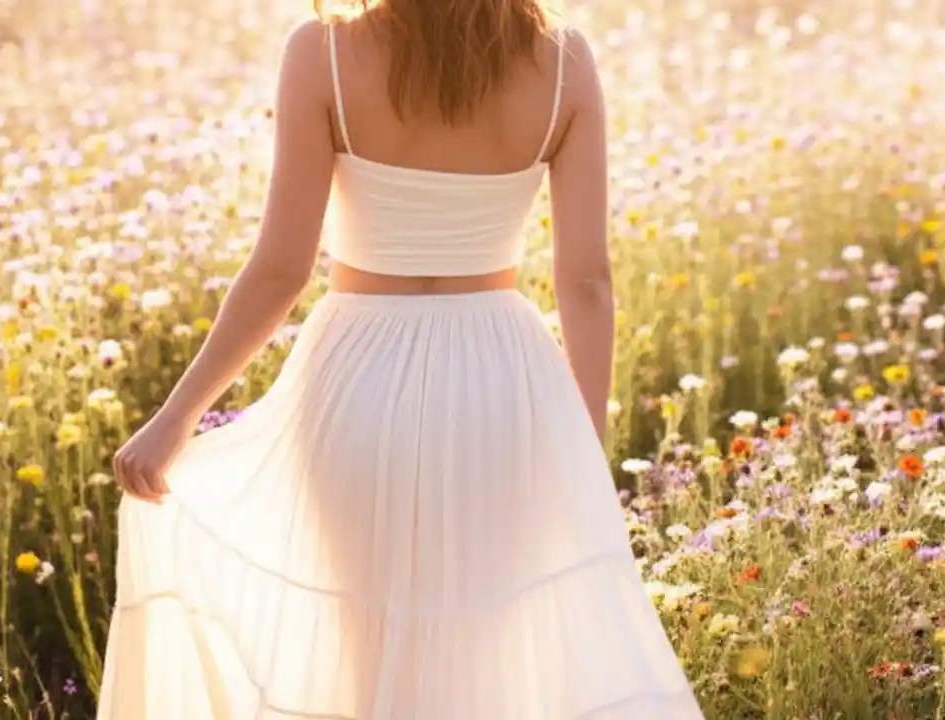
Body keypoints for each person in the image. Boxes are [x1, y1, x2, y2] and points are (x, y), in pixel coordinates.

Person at [98, 1, 705, 717]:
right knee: (482, 649)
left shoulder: (322, 53)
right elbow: (586, 282)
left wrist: (177, 419)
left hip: (359, 380)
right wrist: (584, 447)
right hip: (501, 382)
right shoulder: (563, 62)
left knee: (366, 647)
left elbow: (279, 271)